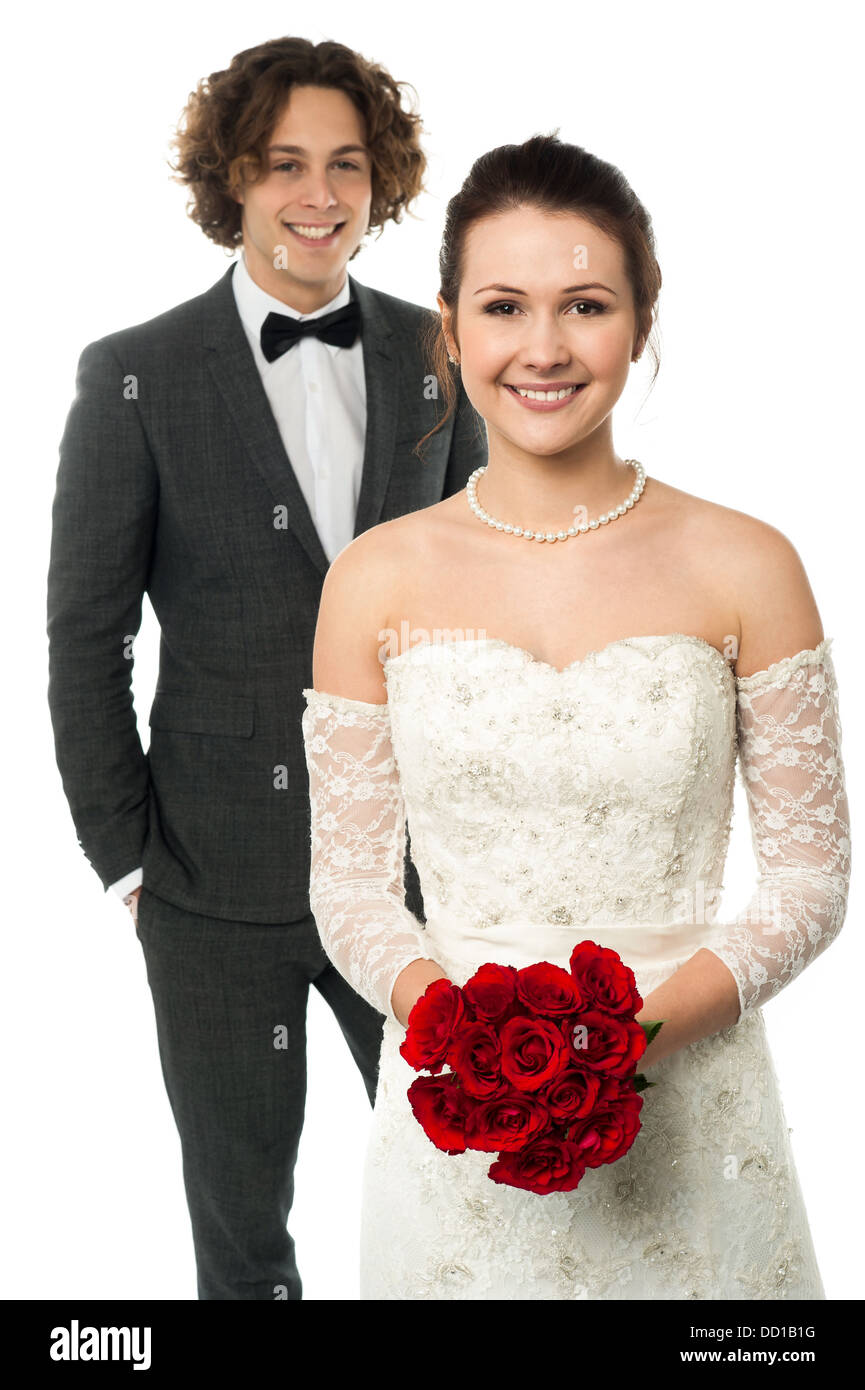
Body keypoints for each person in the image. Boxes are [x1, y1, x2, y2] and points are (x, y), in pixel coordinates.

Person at [300, 132, 851, 1299]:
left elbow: (810, 878)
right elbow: (347, 884)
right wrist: (454, 1031)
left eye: (585, 304)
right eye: (503, 306)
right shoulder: (372, 577)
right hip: (458, 1128)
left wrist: (630, 1041)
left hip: (693, 1116)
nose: (542, 349)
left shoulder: (748, 562)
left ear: (641, 320)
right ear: (448, 328)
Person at [46, 36, 486, 1300]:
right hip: (209, 882)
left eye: (346, 164)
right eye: (282, 163)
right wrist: (129, 858)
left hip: (412, 876)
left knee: (472, 1195)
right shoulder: (135, 373)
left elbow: (472, 595)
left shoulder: (436, 350)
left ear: (380, 180)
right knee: (243, 1237)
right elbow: (88, 634)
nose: (318, 194)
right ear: (230, 182)